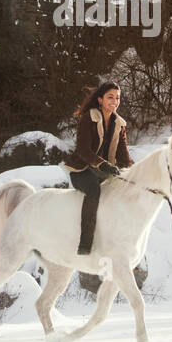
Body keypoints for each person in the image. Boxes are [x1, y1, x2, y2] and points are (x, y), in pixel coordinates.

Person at [65, 81, 133, 255]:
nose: (115, 101)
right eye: (110, 97)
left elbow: (123, 155)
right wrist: (103, 164)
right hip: (82, 171)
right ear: (100, 99)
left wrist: (133, 173)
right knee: (94, 191)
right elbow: (82, 150)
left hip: (104, 172)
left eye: (117, 98)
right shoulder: (89, 117)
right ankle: (85, 244)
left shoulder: (119, 124)